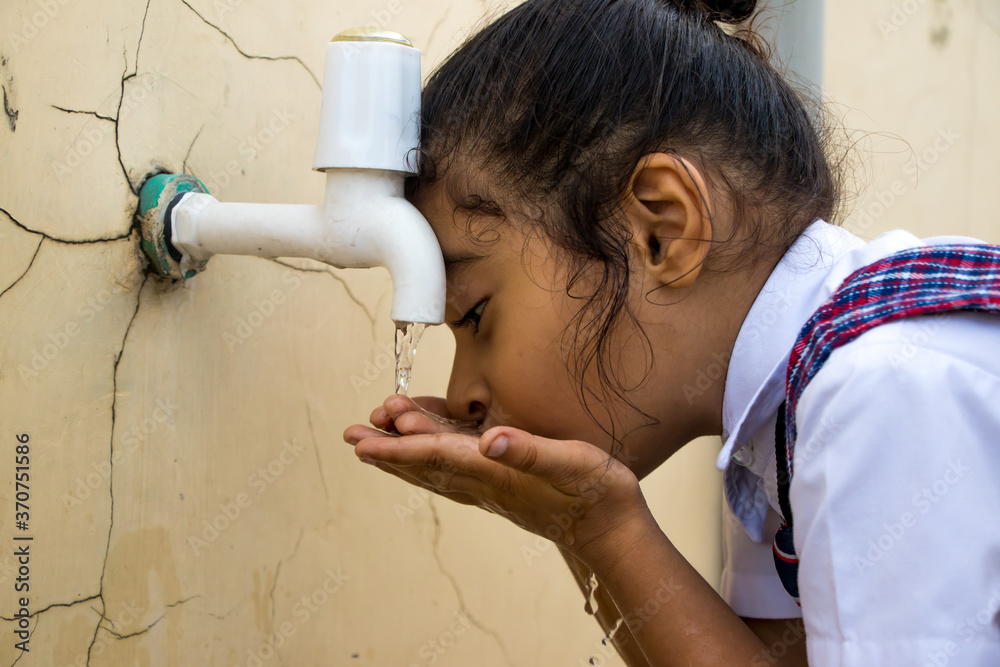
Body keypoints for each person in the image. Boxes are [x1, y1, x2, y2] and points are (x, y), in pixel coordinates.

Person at [343, 0, 1000, 664]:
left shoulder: (878, 392)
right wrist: (584, 523)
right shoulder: (779, 409)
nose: (460, 395)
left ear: (663, 229)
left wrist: (598, 524)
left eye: (476, 315)